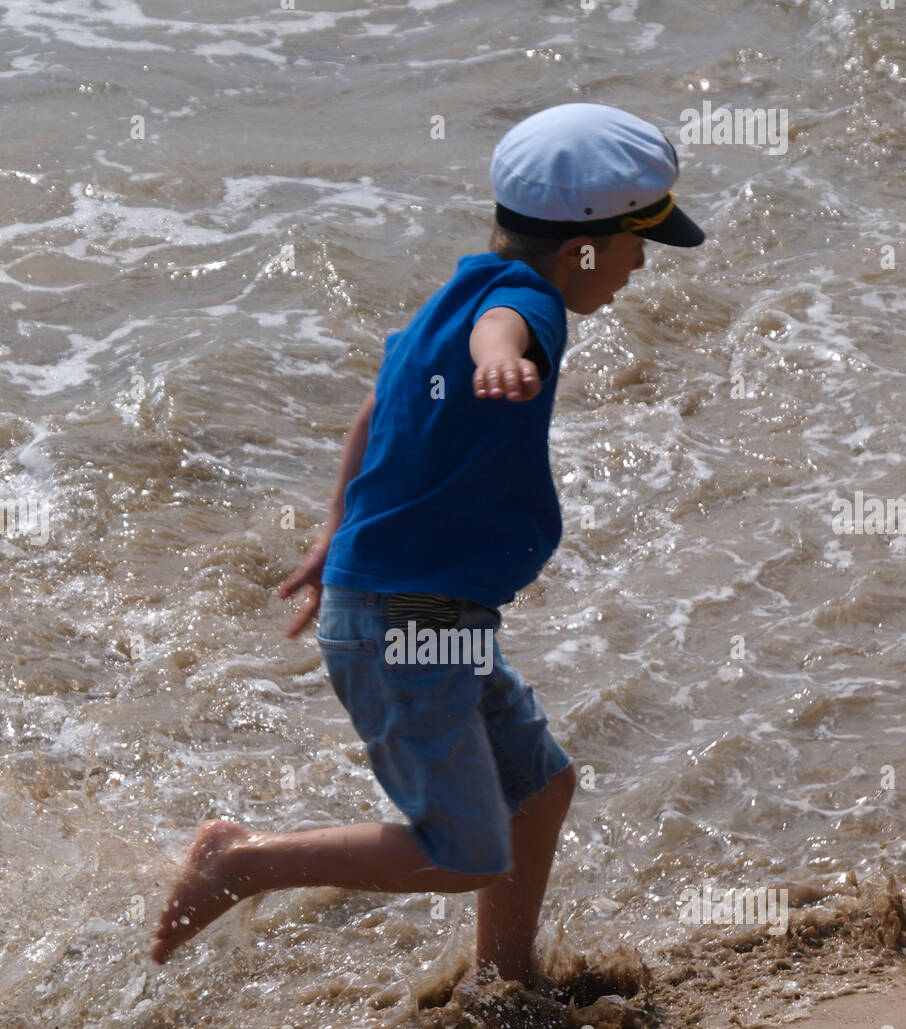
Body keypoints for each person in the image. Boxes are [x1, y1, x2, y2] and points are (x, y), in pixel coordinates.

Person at [152, 103, 705, 982]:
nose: (639, 269)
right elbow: (510, 328)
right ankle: (242, 861)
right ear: (583, 250)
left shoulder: (455, 295)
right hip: (409, 623)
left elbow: (376, 412)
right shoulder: (524, 307)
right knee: (462, 854)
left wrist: (336, 531)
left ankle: (503, 983)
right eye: (640, 248)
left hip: (420, 615)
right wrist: (502, 357)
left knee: (539, 791)